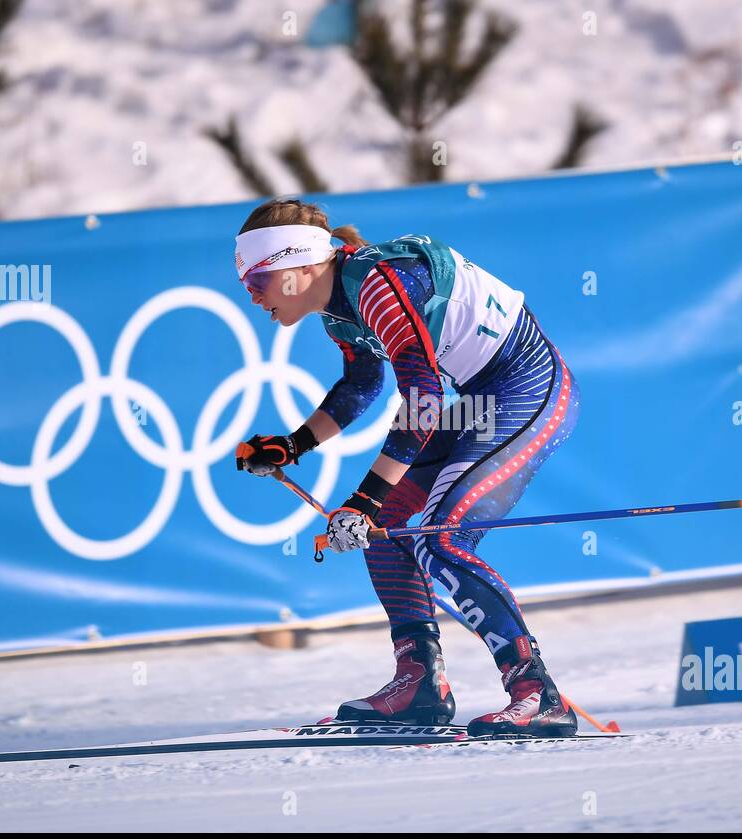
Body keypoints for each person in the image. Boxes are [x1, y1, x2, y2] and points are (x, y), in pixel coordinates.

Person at [232, 198, 581, 737]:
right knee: (384, 528)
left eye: (256, 278)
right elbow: (361, 385)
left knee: (440, 542)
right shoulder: (338, 305)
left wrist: (365, 497)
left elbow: (421, 394)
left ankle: (538, 693)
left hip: (527, 388)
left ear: (298, 267)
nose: (250, 294)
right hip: (479, 399)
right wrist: (294, 445)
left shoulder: (376, 285)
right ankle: (420, 683)